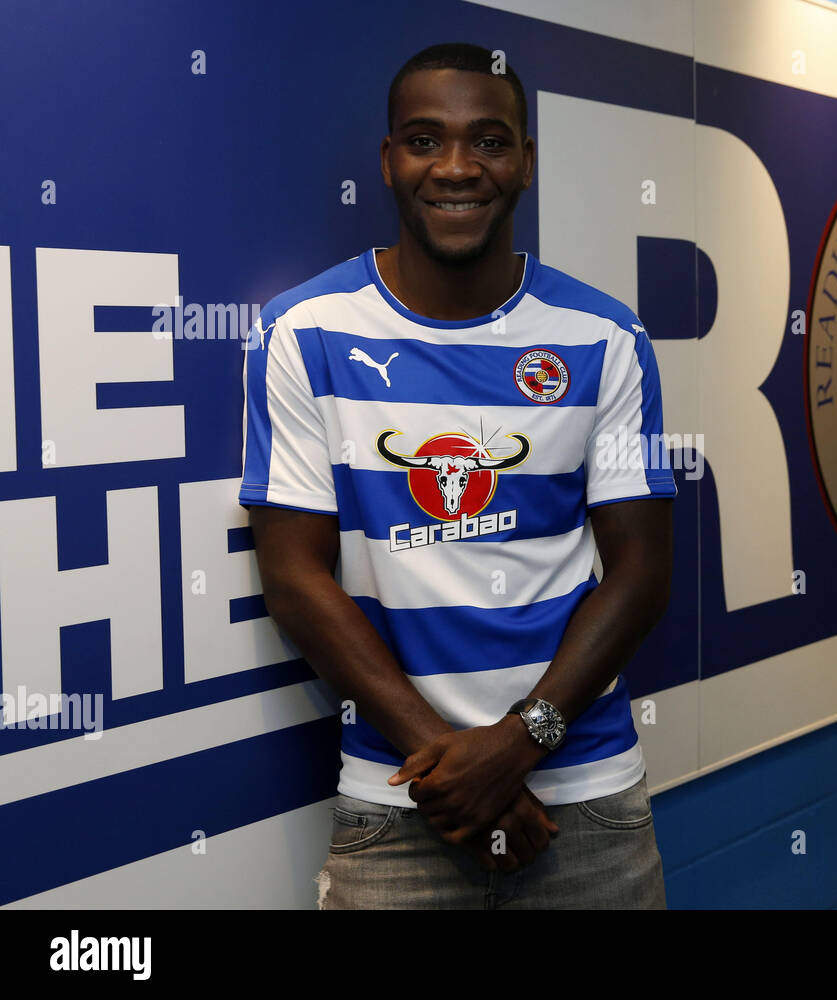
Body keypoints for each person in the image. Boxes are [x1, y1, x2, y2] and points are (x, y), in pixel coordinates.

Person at [238, 41, 675, 909]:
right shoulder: (304, 332)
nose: (457, 167)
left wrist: (521, 744)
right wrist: (456, 767)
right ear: (389, 161)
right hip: (400, 797)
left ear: (527, 163)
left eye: (489, 141)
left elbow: (641, 571)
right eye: (425, 140)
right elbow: (294, 580)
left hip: (584, 798)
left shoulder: (604, 338)